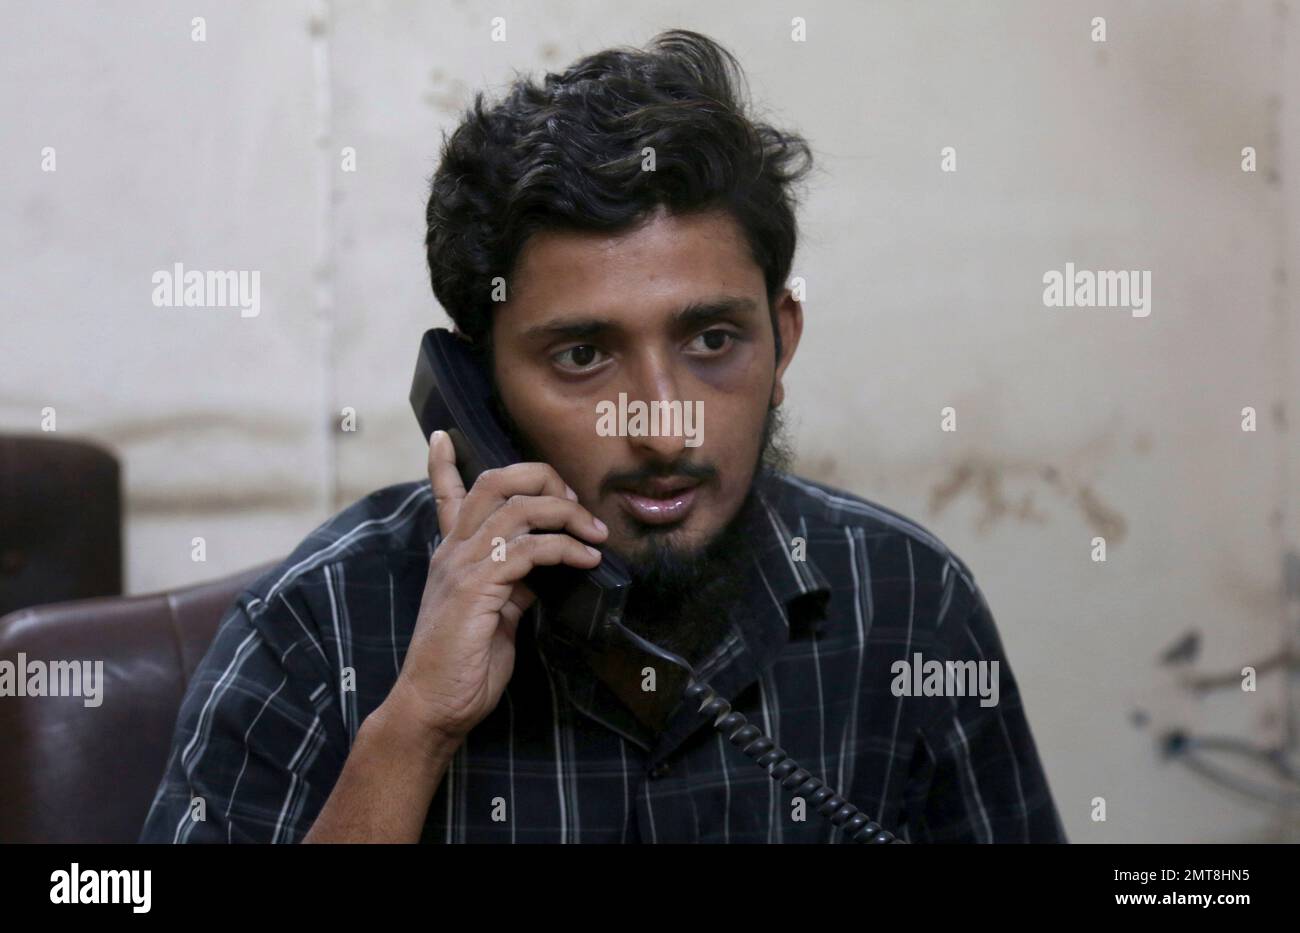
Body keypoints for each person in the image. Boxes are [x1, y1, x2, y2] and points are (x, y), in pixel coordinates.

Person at [140, 29, 1066, 844]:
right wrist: (415, 727)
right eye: (583, 354)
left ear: (782, 338)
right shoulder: (319, 628)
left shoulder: (907, 603)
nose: (664, 424)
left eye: (712, 340)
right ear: (477, 389)